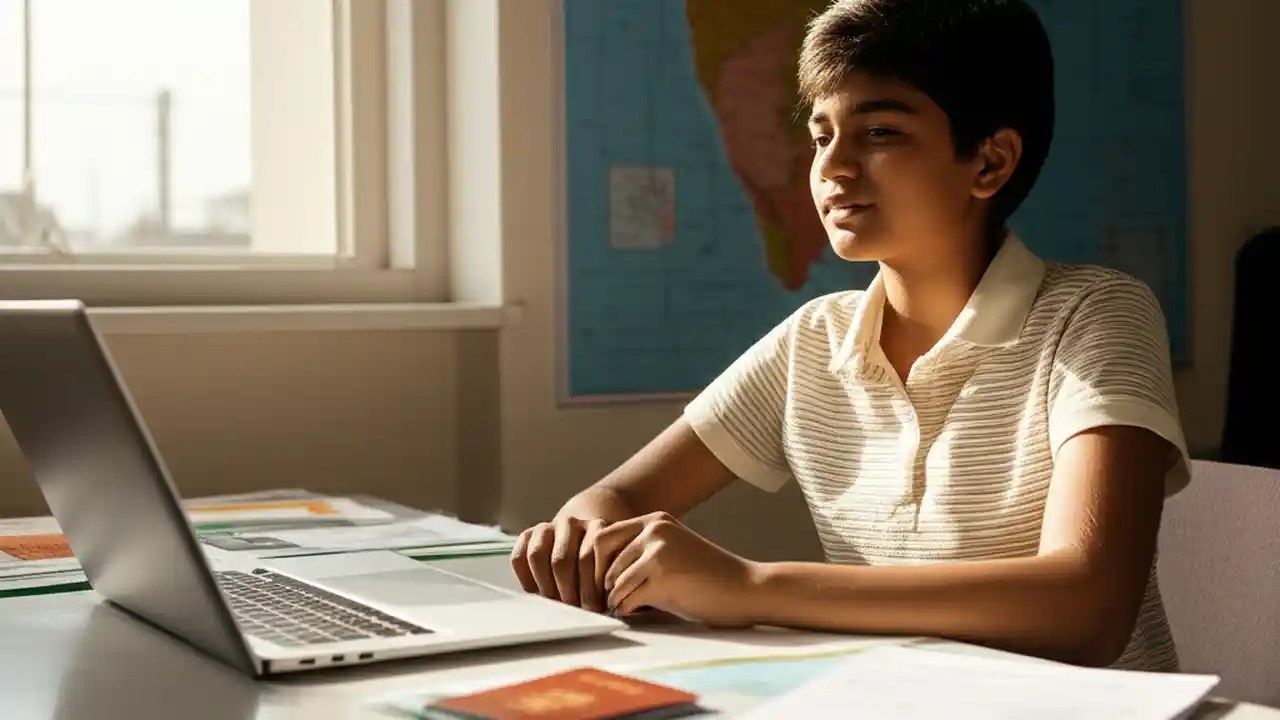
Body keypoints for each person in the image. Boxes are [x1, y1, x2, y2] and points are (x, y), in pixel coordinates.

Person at [511, 0, 1189, 671]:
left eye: (880, 133)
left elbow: (1087, 610)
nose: (832, 168)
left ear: (989, 163)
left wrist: (750, 588)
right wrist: (587, 541)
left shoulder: (1097, 316)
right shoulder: (815, 338)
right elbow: (615, 499)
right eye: (820, 136)